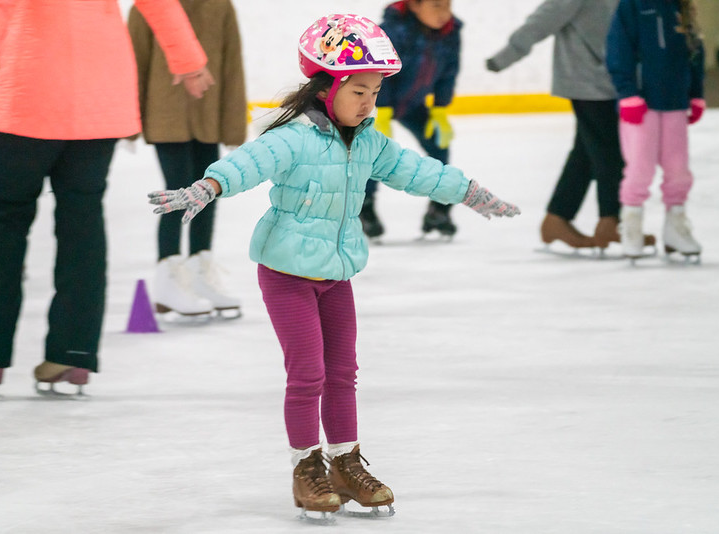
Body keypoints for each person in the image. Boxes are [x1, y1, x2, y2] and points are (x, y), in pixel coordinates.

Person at [148, 14, 520, 518]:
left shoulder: (368, 141)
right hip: (286, 276)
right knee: (307, 374)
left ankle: (346, 462)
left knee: (342, 373)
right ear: (327, 88)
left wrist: (470, 193)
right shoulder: (294, 137)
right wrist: (207, 187)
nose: (370, 103)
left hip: (336, 276)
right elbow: (248, 162)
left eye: (374, 92)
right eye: (360, 92)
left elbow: (418, 172)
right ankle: (308, 467)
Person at [0, 0, 214, 395]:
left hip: (29, 96)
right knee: (82, 222)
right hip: (99, 98)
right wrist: (188, 59)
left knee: (5, 222)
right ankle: (72, 355)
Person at [486, 0, 655, 253]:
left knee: (586, 154)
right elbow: (543, 20)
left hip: (612, 79)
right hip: (588, 81)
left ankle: (557, 219)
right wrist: (506, 55)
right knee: (610, 153)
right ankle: (611, 221)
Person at [128, 0, 246, 318]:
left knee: (208, 192)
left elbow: (232, 66)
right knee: (178, 190)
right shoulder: (148, 7)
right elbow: (134, 61)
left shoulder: (220, 7)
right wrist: (128, 120)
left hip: (208, 114)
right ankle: (168, 275)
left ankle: (199, 267)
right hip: (165, 116)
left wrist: (233, 125)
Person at [606, 0, 705, 261]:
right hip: (641, 103)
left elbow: (695, 52)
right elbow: (618, 48)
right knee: (640, 168)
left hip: (674, 102)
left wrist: (696, 94)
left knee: (678, 169)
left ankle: (676, 226)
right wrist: (627, 93)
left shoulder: (682, 7)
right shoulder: (631, 6)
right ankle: (631, 225)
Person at [361, 0, 463, 240]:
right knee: (371, 152)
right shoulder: (392, 30)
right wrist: (382, 109)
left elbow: (450, 70)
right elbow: (378, 70)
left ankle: (439, 209)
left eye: (448, 5)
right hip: (377, 102)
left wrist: (439, 108)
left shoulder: (450, 32)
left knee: (439, 145)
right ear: (415, 6)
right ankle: (363, 207)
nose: (444, 13)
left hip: (412, 104)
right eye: (436, 6)